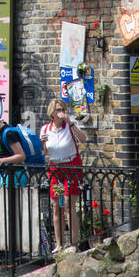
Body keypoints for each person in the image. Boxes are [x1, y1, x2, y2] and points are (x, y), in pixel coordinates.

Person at [40, 99, 85, 254]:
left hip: (71, 166)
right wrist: (42, 144)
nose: (61, 112)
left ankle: (74, 243)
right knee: (56, 206)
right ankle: (59, 244)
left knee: (68, 204)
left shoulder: (70, 127)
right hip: (55, 168)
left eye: (63, 109)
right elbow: (45, 152)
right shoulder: (46, 129)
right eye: (58, 110)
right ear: (52, 113)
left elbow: (83, 139)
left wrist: (71, 123)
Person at [0, 104, 45, 184]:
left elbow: (21, 156)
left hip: (15, 176)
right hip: (3, 175)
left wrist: (2, 160)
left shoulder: (9, 133)